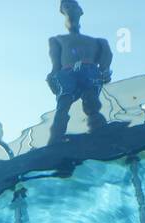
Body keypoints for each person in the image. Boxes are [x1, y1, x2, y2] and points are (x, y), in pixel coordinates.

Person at [46, 1, 113, 144]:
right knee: (64, 102)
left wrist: (104, 71)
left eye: (73, 5)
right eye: (66, 7)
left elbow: (105, 63)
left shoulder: (99, 42)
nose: (70, 8)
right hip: (67, 73)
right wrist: (52, 76)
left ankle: (99, 130)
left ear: (81, 10)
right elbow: (56, 64)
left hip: (90, 72)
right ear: (62, 12)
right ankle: (56, 138)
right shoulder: (57, 40)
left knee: (91, 101)